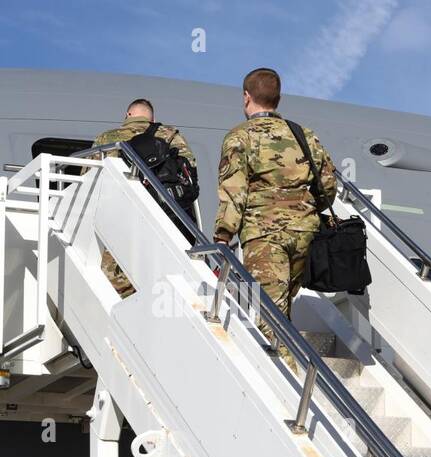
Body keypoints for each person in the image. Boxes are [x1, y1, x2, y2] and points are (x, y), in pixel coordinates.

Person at [214, 67, 337, 373]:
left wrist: (222, 237)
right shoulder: (303, 135)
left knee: (271, 316)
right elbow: (329, 186)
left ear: (246, 97)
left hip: (264, 234)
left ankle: (290, 386)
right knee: (282, 307)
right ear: (277, 98)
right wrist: (305, 211)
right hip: (304, 233)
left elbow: (234, 192)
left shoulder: (240, 137)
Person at [92, 99, 197, 298]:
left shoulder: (106, 139)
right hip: (163, 220)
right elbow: (189, 173)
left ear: (127, 116)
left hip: (119, 221)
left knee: (116, 282)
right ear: (153, 119)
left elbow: (88, 178)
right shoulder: (171, 136)